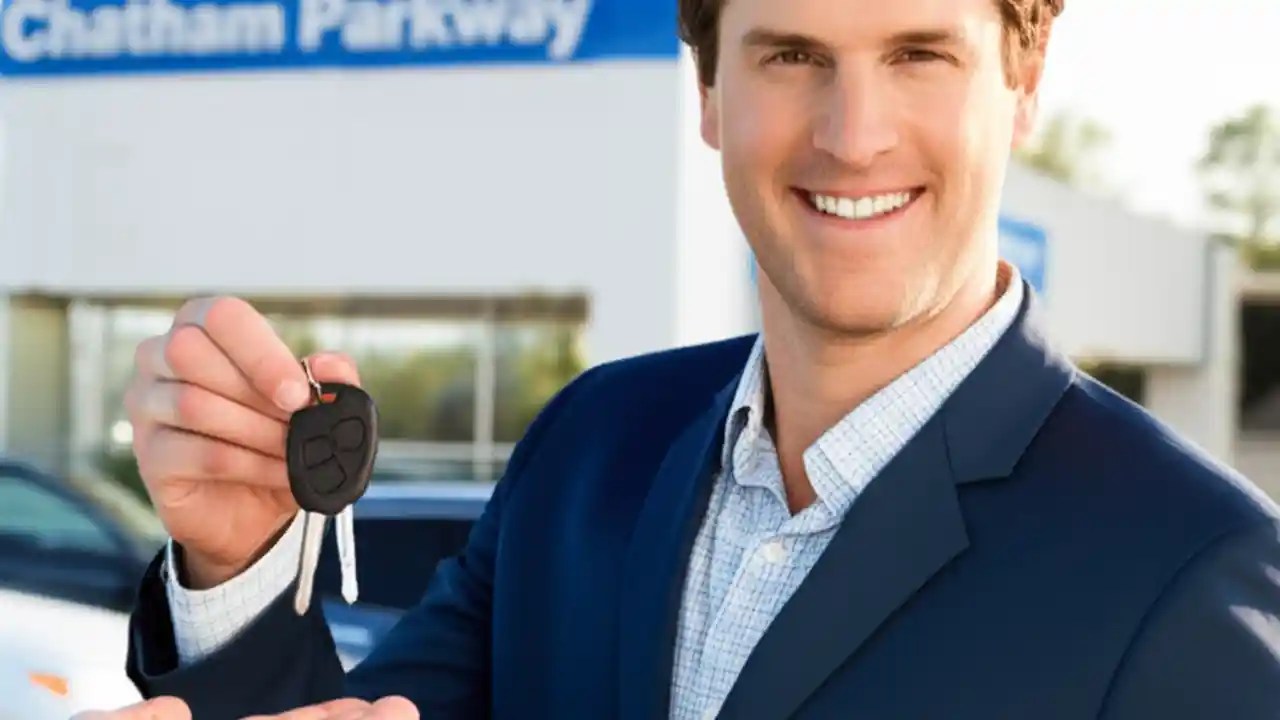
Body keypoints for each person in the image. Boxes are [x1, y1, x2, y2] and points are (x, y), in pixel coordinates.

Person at [85, 0, 1280, 717]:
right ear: (706, 89)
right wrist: (239, 554)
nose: (852, 136)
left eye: (917, 53)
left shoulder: (1183, 570)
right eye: (791, 55)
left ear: (1020, 85)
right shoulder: (587, 449)